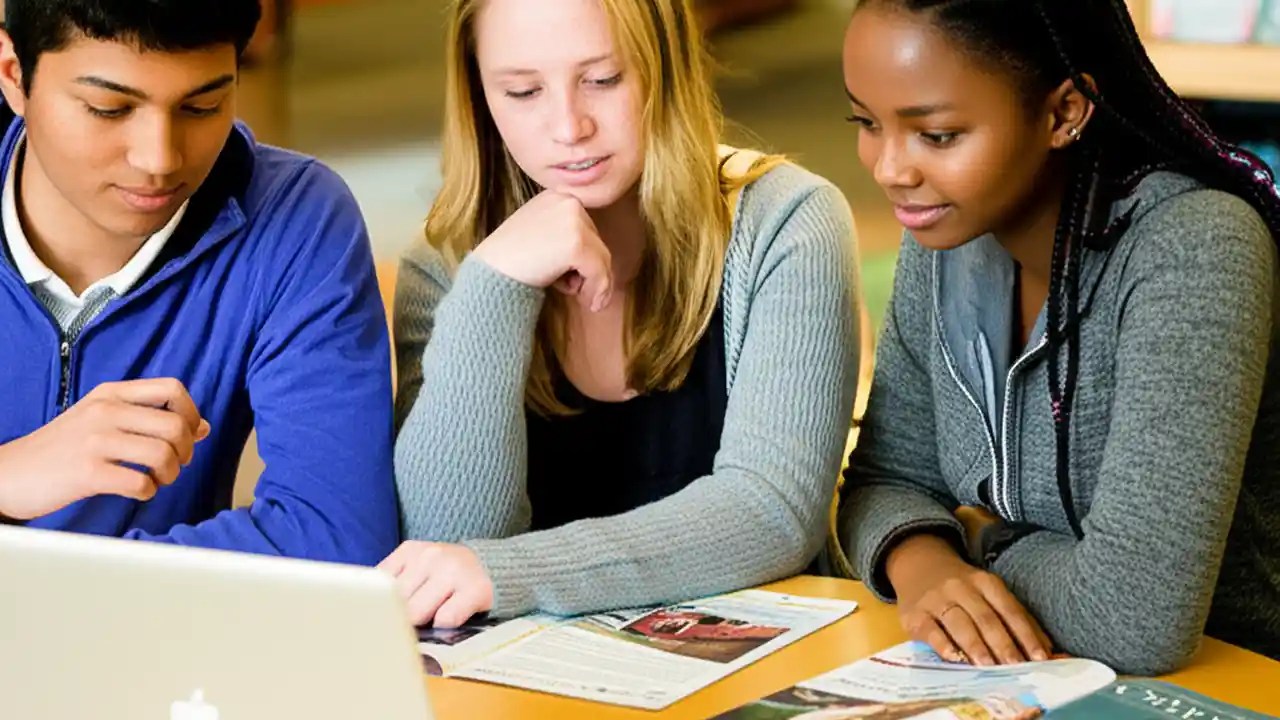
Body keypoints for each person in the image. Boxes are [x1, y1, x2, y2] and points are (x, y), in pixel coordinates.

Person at [380, 0, 861, 627]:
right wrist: (494, 289)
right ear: (479, 95)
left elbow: (772, 514)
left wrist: (511, 573)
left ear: (667, 66)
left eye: (603, 79)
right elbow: (449, 547)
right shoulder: (447, 269)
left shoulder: (787, 222)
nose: (569, 126)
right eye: (522, 91)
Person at [834, 0, 1280, 675]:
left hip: (1234, 676)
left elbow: (1135, 621)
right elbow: (885, 478)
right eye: (867, 123)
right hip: (1037, 670)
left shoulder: (1194, 248)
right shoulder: (944, 231)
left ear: (1064, 111)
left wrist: (982, 539)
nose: (891, 169)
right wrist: (923, 559)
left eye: (939, 135)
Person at [0, 0, 399, 564]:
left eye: (202, 105)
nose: (159, 159)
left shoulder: (297, 221)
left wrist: (47, 577)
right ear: (14, 74)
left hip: (152, 648)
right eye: (109, 108)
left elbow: (335, 538)